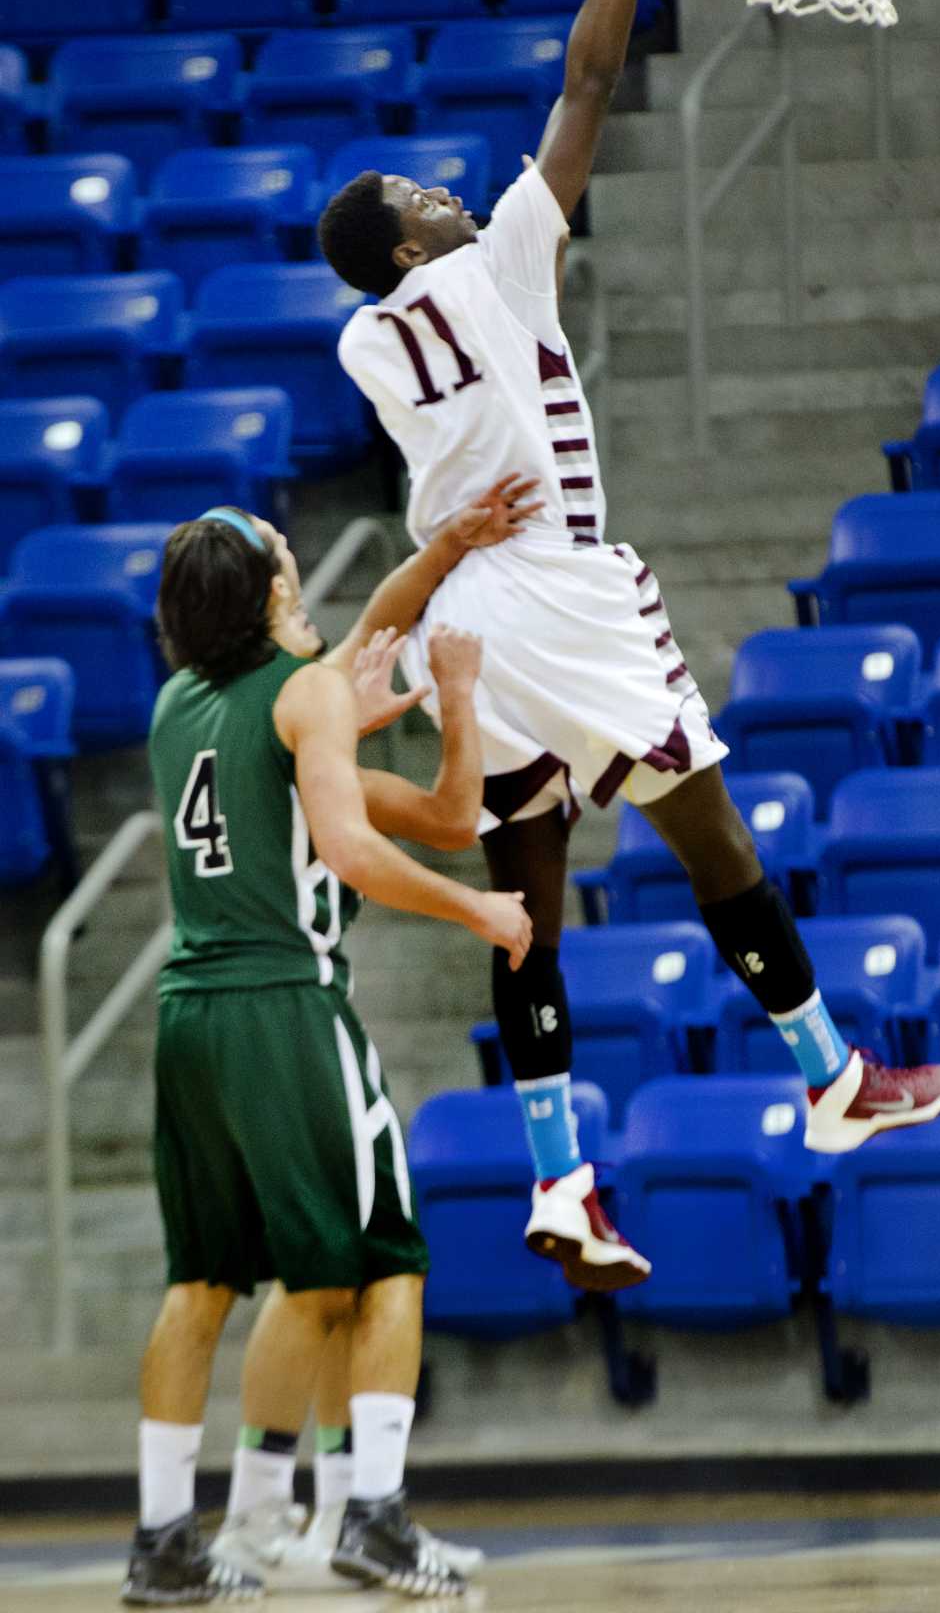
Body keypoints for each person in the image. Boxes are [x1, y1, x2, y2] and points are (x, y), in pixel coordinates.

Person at [318, 0, 940, 1295]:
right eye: (425, 197)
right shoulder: (499, 265)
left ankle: (560, 1179)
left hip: (462, 609)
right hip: (553, 587)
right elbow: (591, 74)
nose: (450, 193)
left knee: (527, 902)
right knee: (709, 831)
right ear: (412, 244)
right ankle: (825, 1074)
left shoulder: (360, 346)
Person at [122, 484, 536, 1607]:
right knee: (387, 1259)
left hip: (189, 1015)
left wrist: (446, 546)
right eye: (286, 566)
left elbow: (368, 646)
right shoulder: (300, 693)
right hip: (284, 1003)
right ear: (267, 597)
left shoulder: (177, 706)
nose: (302, 574)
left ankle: (169, 1533)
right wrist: (479, 911)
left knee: (205, 1278)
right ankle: (375, 1520)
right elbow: (350, 847)